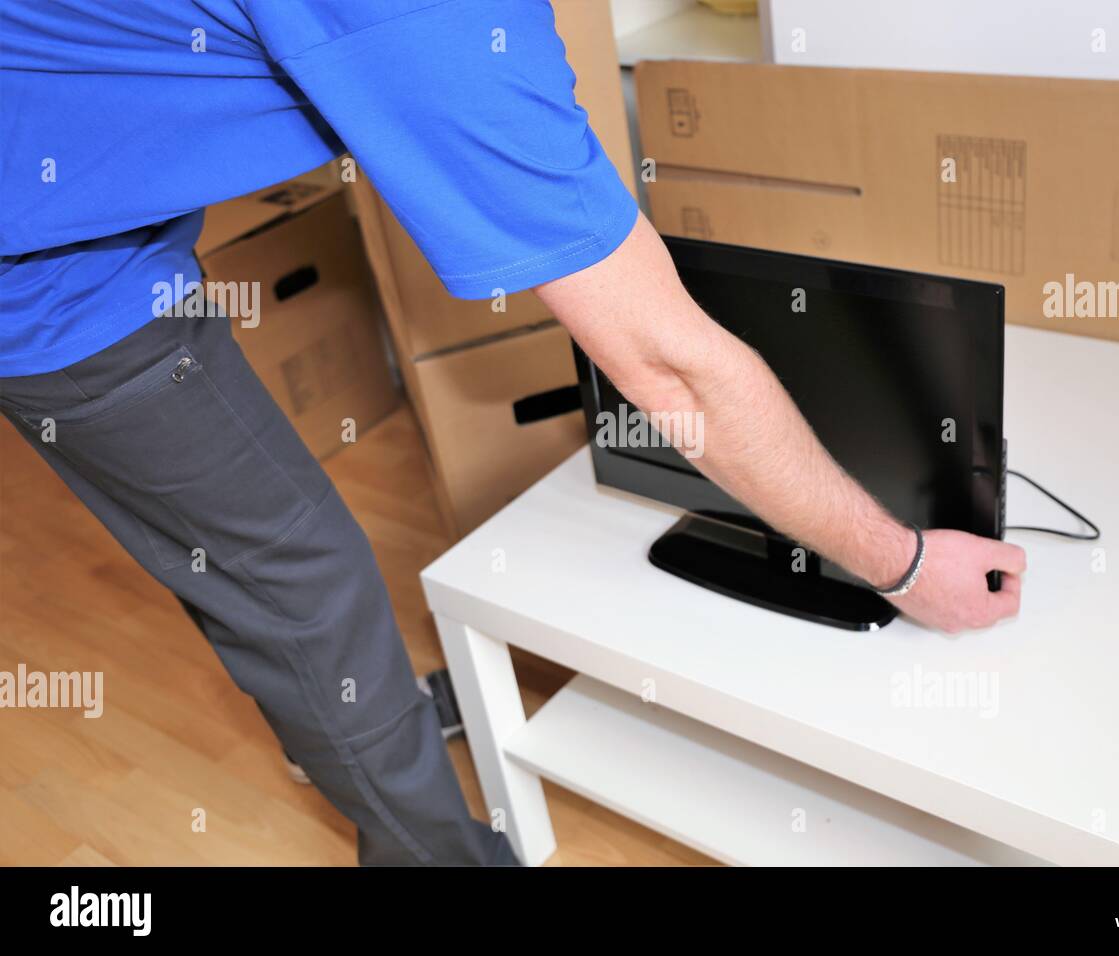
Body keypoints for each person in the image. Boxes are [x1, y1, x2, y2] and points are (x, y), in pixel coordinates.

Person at [0, 0, 1025, 866]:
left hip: (77, 192)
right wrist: (901, 563)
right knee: (305, 587)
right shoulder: (439, 25)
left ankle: (397, 712)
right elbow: (673, 373)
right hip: (48, 283)